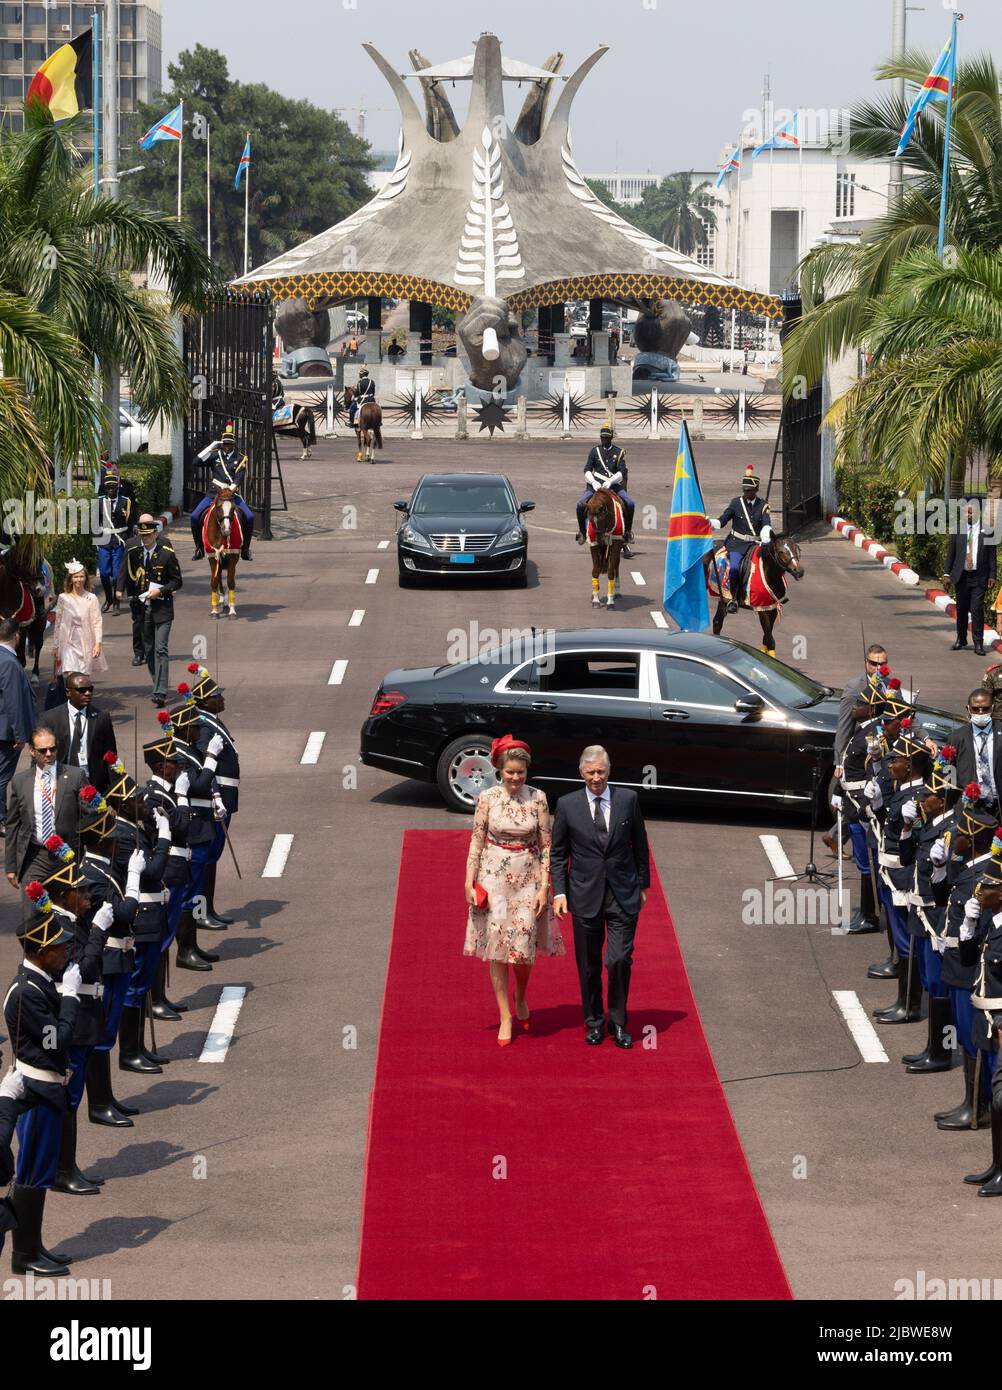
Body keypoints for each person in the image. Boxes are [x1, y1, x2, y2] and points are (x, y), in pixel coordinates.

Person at [463, 736, 564, 1046]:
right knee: (497, 947)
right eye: (510, 772)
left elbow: (547, 846)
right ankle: (505, 1014)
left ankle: (520, 995)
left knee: (522, 949)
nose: (516, 778)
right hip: (493, 878)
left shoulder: (538, 798)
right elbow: (476, 842)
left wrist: (544, 887)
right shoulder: (487, 799)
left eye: (520, 772)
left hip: (528, 879)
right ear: (499, 769)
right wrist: (468, 882)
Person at [550, 745, 650, 1049]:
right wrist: (560, 892)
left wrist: (643, 885)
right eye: (591, 772)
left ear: (609, 771)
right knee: (589, 965)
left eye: (601, 772)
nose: (596, 777)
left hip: (623, 894)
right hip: (584, 895)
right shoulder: (567, 805)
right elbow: (558, 854)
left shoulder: (628, 799)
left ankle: (618, 1022)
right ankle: (593, 1022)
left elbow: (640, 844)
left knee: (618, 959)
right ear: (582, 772)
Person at [3, 889, 81, 1274]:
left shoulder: (39, 983)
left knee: (41, 1173)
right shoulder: (27, 993)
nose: (66, 954)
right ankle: (24, 1255)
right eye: (60, 949)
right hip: (35, 1090)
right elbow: (57, 1039)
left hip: (47, 1088)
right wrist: (71, 999)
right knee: (31, 1174)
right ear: (41, 952)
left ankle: (35, 1245)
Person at [4, 727, 89, 888]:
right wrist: (11, 866)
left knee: (67, 911)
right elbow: (13, 825)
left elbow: (90, 814)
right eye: (43, 750)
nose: (48, 754)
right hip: (35, 857)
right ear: (32, 751)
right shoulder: (20, 782)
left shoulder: (75, 776)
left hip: (68, 855)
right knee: (32, 912)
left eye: (52, 749)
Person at [187, 663, 238, 927]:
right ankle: (199, 913)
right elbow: (206, 763)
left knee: (212, 858)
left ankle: (209, 908)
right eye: (217, 696)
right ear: (206, 702)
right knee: (205, 859)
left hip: (226, 797)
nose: (222, 698)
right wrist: (216, 796)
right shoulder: (204, 727)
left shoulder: (212, 721)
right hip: (213, 799)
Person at [117, 517, 183, 709]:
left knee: (161, 647)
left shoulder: (166, 554)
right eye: (142, 535)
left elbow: (177, 581)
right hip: (142, 608)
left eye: (149, 535)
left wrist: (160, 591)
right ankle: (158, 683)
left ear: (155, 534)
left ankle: (160, 691)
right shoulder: (136, 553)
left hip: (162, 608)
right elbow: (129, 574)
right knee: (148, 649)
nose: (145, 539)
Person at [707, 465, 774, 611]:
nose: (746, 493)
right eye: (744, 490)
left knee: (770, 565)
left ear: (756, 490)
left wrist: (766, 531)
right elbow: (723, 519)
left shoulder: (763, 505)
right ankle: (734, 598)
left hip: (755, 544)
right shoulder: (736, 503)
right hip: (736, 543)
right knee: (735, 567)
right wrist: (711, 523)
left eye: (749, 491)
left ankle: (773, 595)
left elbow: (766, 522)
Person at [39, 671, 117, 793]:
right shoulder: (50, 718)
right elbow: (39, 756)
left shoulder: (102, 717)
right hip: (61, 784)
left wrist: (114, 794)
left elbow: (111, 756)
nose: (88, 693)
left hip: (93, 785)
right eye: (82, 690)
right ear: (68, 692)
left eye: (90, 689)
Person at [190, 423, 254, 562]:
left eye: (229, 444)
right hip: (213, 494)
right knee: (194, 517)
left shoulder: (240, 458)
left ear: (234, 445)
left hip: (231, 495)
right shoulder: (215, 456)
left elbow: (238, 478)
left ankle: (246, 549)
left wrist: (230, 490)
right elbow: (196, 462)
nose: (227, 446)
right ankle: (199, 548)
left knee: (249, 517)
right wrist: (210, 447)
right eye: (224, 444)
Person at [944, 499, 997, 655]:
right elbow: (951, 554)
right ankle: (961, 639)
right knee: (961, 609)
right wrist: (947, 574)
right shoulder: (958, 530)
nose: (968, 514)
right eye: (966, 511)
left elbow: (992, 556)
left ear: (977, 512)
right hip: (962, 576)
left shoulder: (987, 531)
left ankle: (978, 643)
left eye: (971, 511)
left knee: (977, 609)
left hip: (979, 576)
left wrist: (992, 574)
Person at [0, 617, 37, 837]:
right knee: (2, 777)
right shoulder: (10, 663)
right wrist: (19, 733)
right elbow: (13, 701)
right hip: (7, 732)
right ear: (17, 636)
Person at [575, 424, 635, 549]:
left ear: (611, 438)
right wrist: (593, 482)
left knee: (630, 503)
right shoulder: (594, 451)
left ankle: (628, 532)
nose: (604, 440)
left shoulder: (618, 452)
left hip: (613, 486)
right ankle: (582, 532)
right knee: (580, 505)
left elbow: (621, 471)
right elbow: (587, 469)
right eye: (602, 437)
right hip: (595, 486)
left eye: (606, 438)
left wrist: (611, 481)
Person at [51, 560, 107, 681]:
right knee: (70, 674)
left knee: (83, 677)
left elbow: (97, 622)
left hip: (86, 641)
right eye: (76, 576)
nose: (79, 579)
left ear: (86, 578)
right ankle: (70, 699)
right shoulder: (63, 598)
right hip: (68, 642)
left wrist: (98, 643)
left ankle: (79, 698)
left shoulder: (91, 598)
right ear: (71, 579)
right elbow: (58, 623)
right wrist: (56, 646)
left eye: (82, 576)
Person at [94, 470, 133, 614]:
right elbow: (95, 523)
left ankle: (116, 603)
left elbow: (131, 522)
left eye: (113, 487)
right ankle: (109, 599)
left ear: (117, 487)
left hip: (119, 541)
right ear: (105, 488)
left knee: (117, 575)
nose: (111, 490)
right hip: (104, 541)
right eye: (108, 487)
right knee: (104, 573)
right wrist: (97, 541)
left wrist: (128, 540)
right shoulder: (99, 502)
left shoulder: (125, 502)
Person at [954, 687, 1002, 794]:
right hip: (969, 804)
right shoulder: (957, 737)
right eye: (976, 709)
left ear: (992, 708)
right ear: (968, 709)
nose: (980, 713)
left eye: (985, 709)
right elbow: (949, 770)